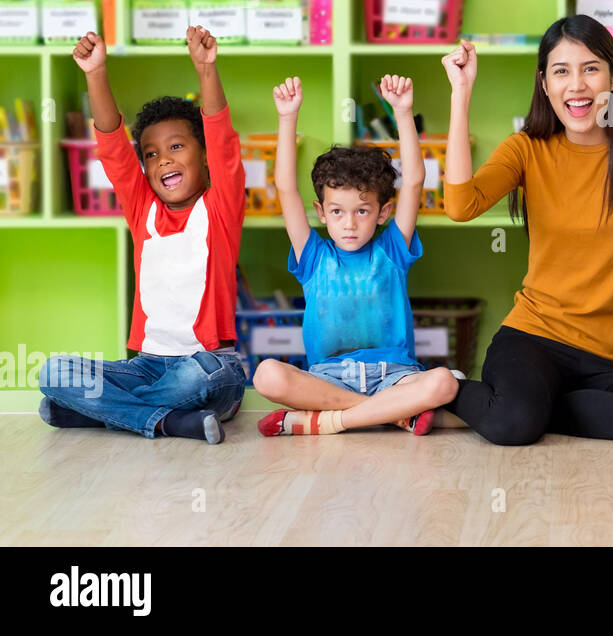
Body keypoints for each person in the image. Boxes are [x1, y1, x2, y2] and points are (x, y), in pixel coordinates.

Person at [439, 16, 613, 445]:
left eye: (591, 69)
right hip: (534, 338)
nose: (577, 86)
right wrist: (461, 94)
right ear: (545, 83)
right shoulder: (526, 148)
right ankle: (446, 390)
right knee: (513, 427)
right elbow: (461, 205)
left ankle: (534, 405)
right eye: (561, 71)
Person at [38, 28, 246, 444]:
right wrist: (95, 72)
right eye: (151, 154)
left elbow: (223, 139)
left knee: (200, 377)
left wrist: (206, 69)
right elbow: (113, 146)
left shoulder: (220, 207)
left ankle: (102, 412)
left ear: (202, 155)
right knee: (53, 371)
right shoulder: (143, 209)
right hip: (147, 365)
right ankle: (169, 421)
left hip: (209, 366)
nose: (163, 160)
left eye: (176, 147)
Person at [253, 74, 460, 436]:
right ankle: (394, 416)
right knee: (266, 375)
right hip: (328, 380)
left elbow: (413, 180)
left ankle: (329, 422)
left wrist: (403, 112)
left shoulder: (392, 250)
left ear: (382, 213)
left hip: (396, 378)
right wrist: (287, 118)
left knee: (444, 381)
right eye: (337, 212)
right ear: (321, 211)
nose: (349, 224)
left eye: (362, 211)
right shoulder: (314, 256)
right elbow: (285, 189)